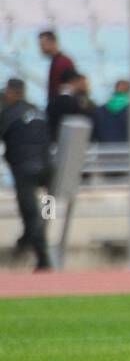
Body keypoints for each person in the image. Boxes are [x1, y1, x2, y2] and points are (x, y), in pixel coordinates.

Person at [0, 79, 54, 271]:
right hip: (48, 171)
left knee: (30, 213)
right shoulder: (39, 112)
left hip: (25, 170)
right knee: (47, 211)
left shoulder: (8, 114)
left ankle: (42, 258)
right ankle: (31, 239)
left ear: (12, 92)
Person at [47, 73, 96, 146]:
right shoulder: (75, 102)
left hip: (54, 142)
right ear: (74, 82)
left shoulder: (52, 102)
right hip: (73, 143)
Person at [38, 31, 77, 109]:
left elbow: (70, 87)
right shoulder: (56, 62)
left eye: (43, 44)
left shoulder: (63, 62)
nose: (41, 48)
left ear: (53, 42)